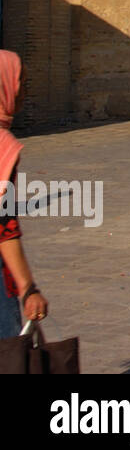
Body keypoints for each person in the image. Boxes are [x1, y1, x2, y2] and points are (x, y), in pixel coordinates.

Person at [0, 52, 50, 339]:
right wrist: (28, 288)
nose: (24, 93)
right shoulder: (2, 146)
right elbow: (4, 228)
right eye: (22, 83)